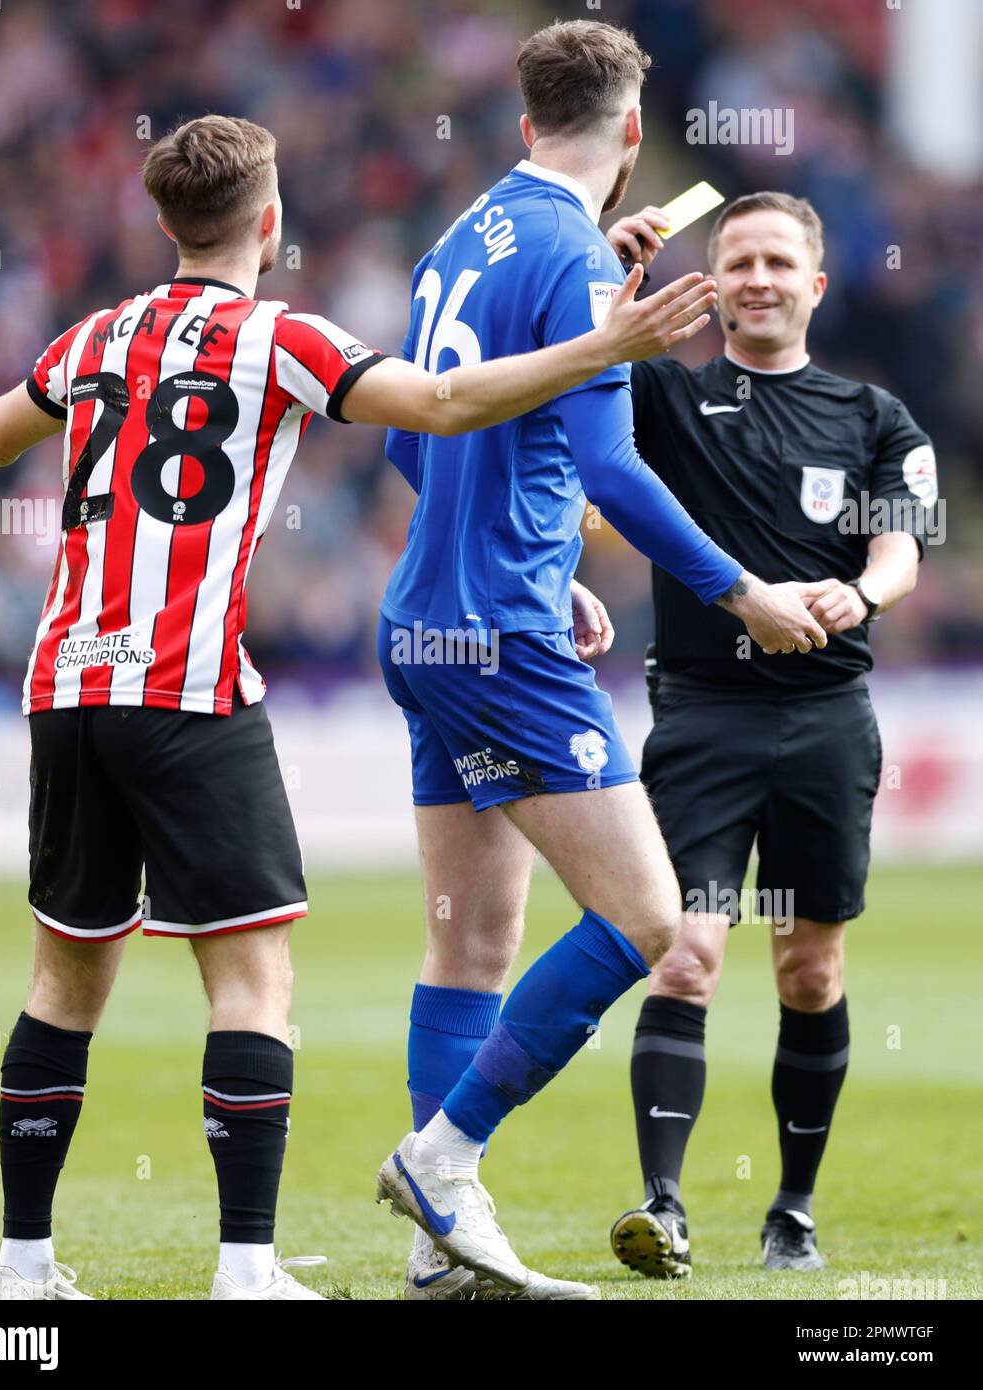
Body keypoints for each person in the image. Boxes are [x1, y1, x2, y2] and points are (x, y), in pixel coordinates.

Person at [0, 112, 712, 1302]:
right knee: (253, 988)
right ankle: (247, 1268)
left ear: (159, 222)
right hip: (188, 689)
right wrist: (593, 344)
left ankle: (21, 1266)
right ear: (269, 220)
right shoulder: (278, 336)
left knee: (62, 984)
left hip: (65, 687)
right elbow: (446, 406)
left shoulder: (93, 335)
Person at [373, 20, 827, 1300]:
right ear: (634, 133)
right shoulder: (577, 256)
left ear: (526, 125)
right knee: (644, 917)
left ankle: (434, 1251)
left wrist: (536, 544)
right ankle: (443, 1154)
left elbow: (421, 439)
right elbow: (614, 463)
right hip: (503, 635)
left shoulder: (460, 241)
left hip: (425, 618)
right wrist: (738, 589)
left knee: (469, 942)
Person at [603, 190, 935, 1276]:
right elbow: (569, 370)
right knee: (686, 954)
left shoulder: (874, 416)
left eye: (774, 261)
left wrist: (862, 594)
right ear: (710, 282)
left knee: (807, 968)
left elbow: (900, 547)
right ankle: (662, 1204)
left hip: (826, 719)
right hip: (701, 718)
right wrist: (612, 279)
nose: (754, 278)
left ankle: (789, 1208)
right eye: (735, 259)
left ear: (813, 282)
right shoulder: (662, 395)